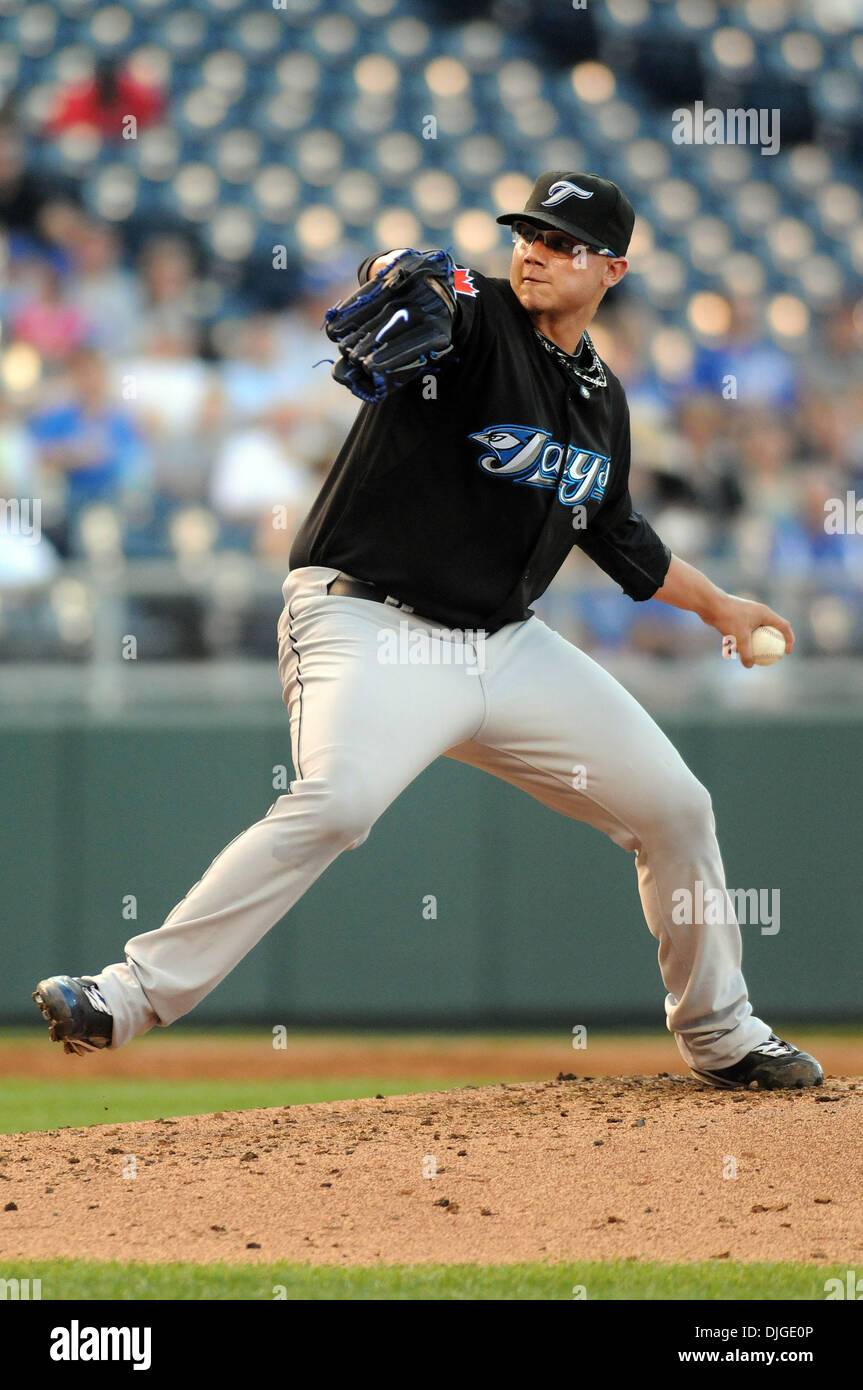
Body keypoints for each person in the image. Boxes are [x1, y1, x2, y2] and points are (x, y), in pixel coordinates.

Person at [33, 171, 823, 1091]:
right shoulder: (476, 314)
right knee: (338, 804)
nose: (534, 250)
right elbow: (414, 273)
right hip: (367, 621)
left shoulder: (600, 399)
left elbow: (616, 534)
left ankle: (721, 1035)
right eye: (527, 232)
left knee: (678, 808)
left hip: (505, 644)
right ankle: (125, 996)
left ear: (610, 267)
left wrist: (720, 606)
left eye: (562, 242)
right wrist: (390, 264)